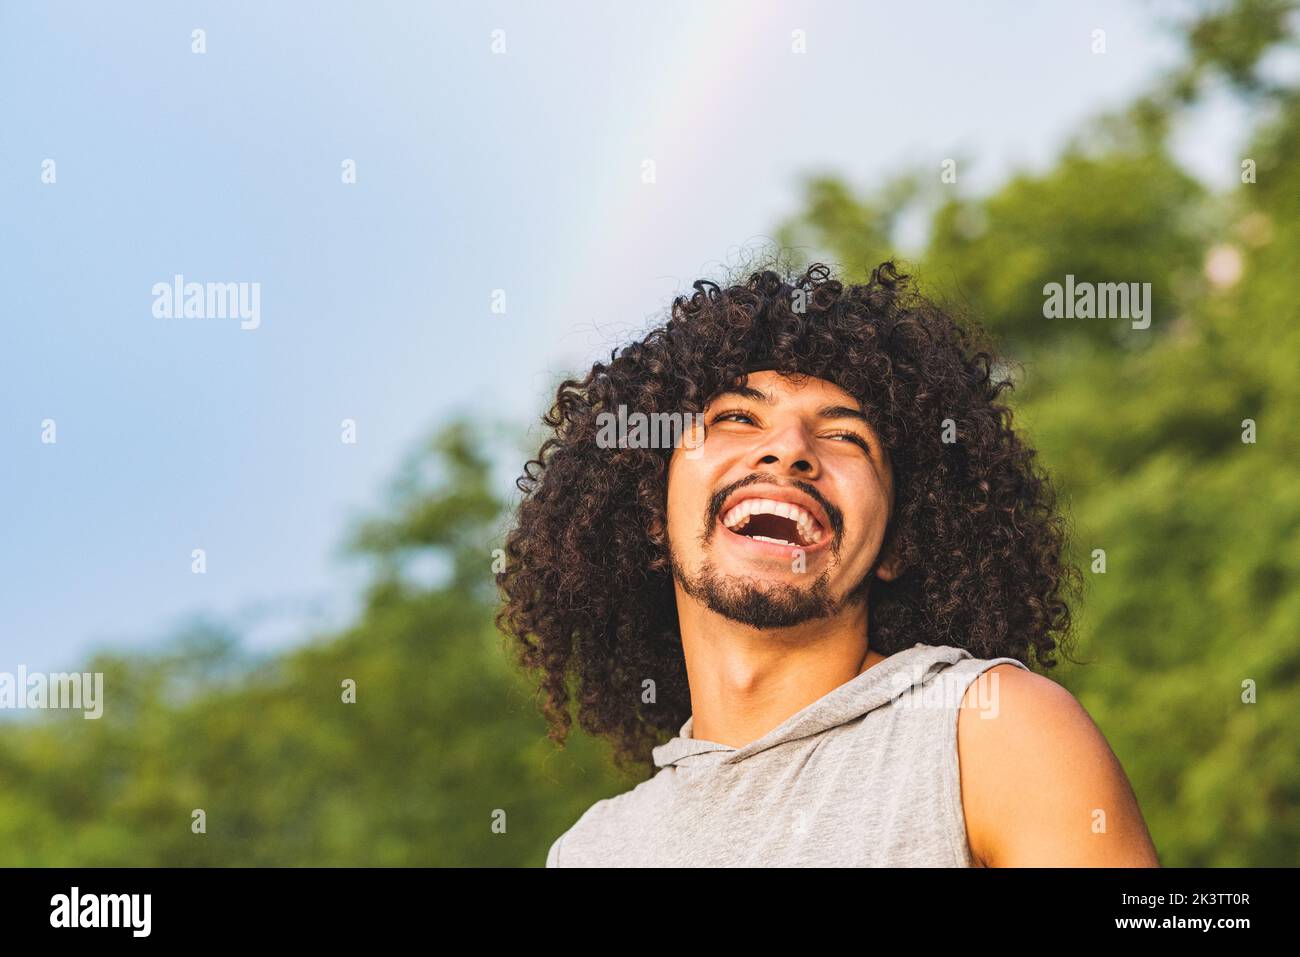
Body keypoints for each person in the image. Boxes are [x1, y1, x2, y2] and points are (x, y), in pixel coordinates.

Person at [496, 259, 1160, 867]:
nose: (788, 448)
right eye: (736, 418)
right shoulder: (592, 851)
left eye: (846, 435)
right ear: (650, 510)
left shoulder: (988, 731)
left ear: (899, 543)